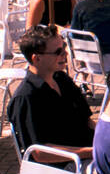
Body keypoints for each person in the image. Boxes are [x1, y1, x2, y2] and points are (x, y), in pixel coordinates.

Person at [10, 24, 97, 161]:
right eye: (58, 52)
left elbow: (88, 121)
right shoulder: (27, 97)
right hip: (66, 166)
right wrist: (93, 152)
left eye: (64, 48)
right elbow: (39, 153)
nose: (65, 54)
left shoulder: (62, 79)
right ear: (36, 59)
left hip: (90, 154)